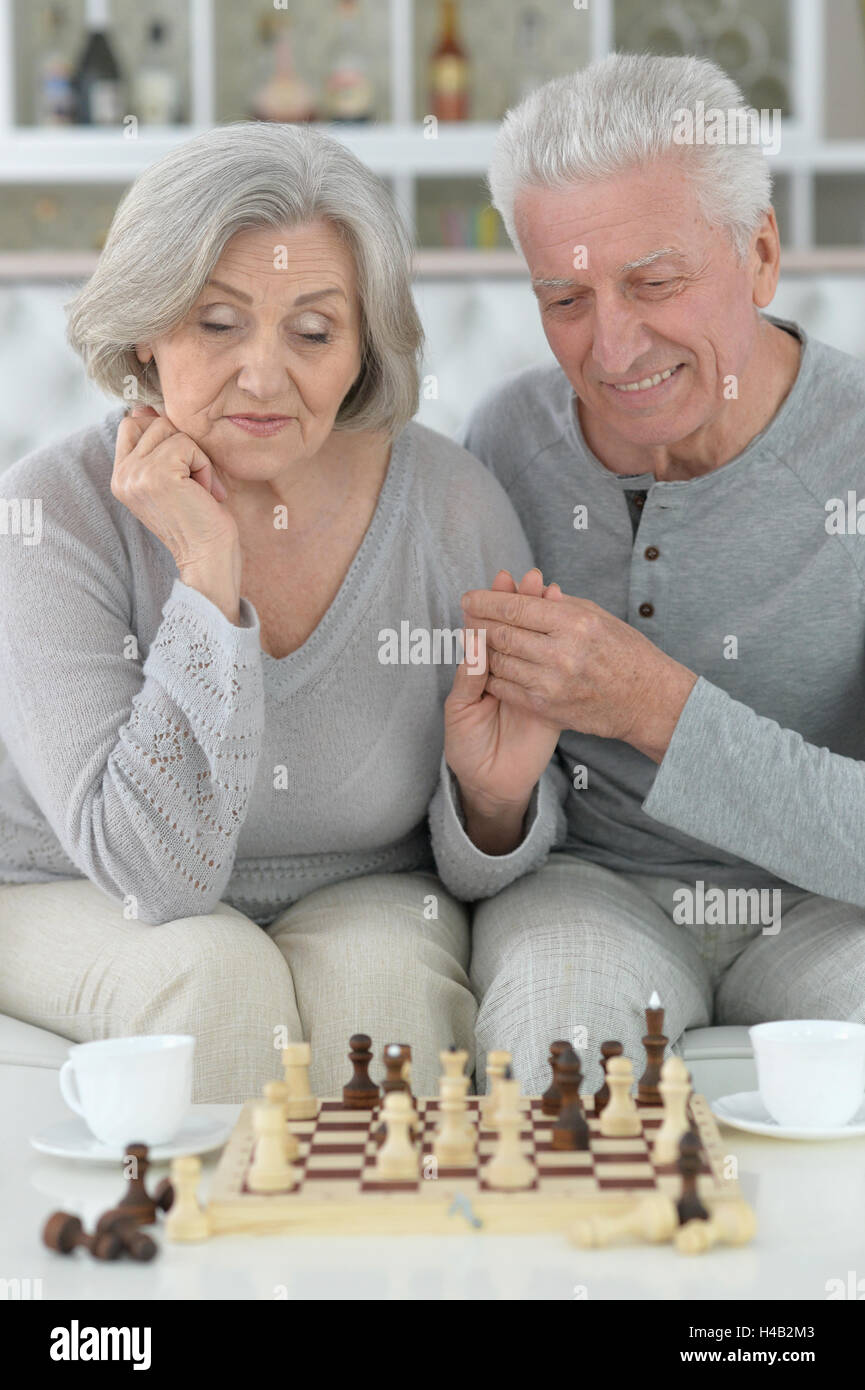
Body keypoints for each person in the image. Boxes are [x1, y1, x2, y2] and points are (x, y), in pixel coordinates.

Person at [0, 122, 564, 1103]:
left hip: (360, 887)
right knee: (216, 980)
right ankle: (204, 1252)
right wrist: (208, 578)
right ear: (147, 327)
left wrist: (492, 805)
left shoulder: (451, 503)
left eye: (312, 331)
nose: (265, 374)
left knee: (385, 993)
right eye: (217, 323)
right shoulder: (53, 515)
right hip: (76, 892)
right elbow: (153, 878)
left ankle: (400, 1258)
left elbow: (493, 856)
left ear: (362, 352)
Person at [438, 53, 865, 1092]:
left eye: (653, 283)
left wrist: (649, 703)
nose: (613, 346)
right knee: (550, 1079)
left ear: (758, 254)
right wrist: (489, 805)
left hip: (825, 903)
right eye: (564, 297)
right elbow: (471, 850)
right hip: (592, 892)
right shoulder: (502, 446)